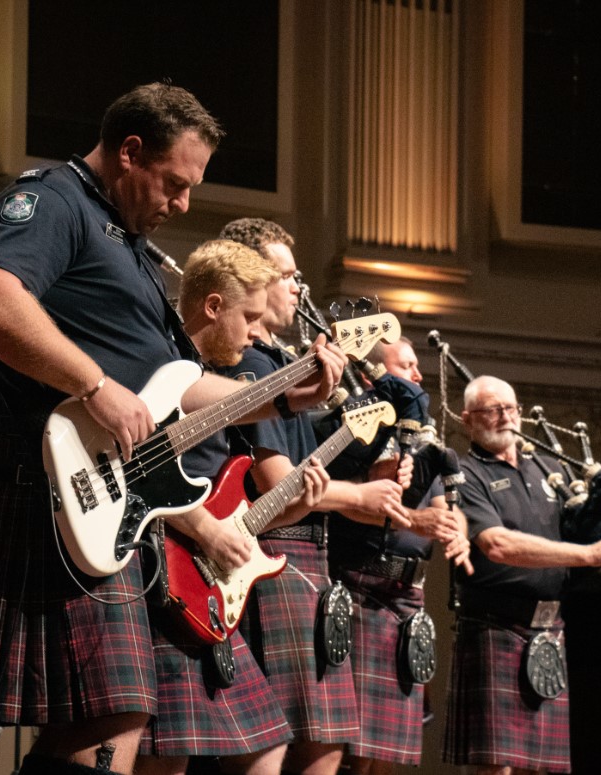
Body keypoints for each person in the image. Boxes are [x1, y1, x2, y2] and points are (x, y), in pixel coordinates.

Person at [0, 85, 344, 775]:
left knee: (113, 719)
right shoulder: (54, 201)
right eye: (175, 183)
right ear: (129, 151)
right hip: (50, 486)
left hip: (112, 497)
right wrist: (94, 385)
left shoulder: (131, 248)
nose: (182, 204)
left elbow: (175, 389)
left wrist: (284, 398)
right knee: (114, 717)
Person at [219, 218, 411, 775]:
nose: (298, 287)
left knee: (320, 746)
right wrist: (358, 497)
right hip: (275, 560)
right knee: (279, 749)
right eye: (287, 275)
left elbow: (306, 475)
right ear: (251, 281)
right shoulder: (255, 365)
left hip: (308, 560)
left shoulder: (282, 363)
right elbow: (277, 484)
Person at [138, 239, 331, 775]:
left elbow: (241, 504)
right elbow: (136, 468)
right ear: (213, 306)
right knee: (164, 758)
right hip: (163, 565)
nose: (253, 333)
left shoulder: (216, 378)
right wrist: (204, 529)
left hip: (203, 575)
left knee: (262, 746)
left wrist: (296, 505)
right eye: (248, 317)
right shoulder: (161, 365)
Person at [442, 375, 601, 775]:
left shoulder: (549, 468)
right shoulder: (465, 475)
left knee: (540, 769)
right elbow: (497, 545)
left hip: (549, 632)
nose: (506, 417)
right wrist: (590, 553)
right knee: (496, 768)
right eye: (493, 410)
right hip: (494, 628)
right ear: (467, 420)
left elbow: (578, 540)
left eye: (511, 408)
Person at [329, 339, 472, 775]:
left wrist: (457, 532)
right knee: (352, 750)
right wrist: (414, 521)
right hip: (360, 585)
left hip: (407, 595)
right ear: (374, 375)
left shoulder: (424, 441)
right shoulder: (357, 432)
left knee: (389, 753)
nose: (418, 375)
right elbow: (349, 503)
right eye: (406, 365)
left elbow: (446, 508)